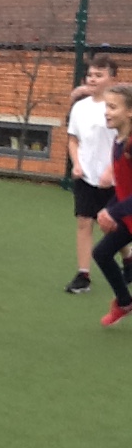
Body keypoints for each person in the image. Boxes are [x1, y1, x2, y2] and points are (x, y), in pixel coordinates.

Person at [65, 52, 132, 293]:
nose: (92, 79)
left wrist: (109, 171)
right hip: (86, 176)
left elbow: (122, 142)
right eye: (90, 75)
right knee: (84, 221)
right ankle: (83, 275)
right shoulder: (80, 107)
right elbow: (73, 139)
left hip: (113, 179)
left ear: (113, 78)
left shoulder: (118, 108)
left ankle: (128, 259)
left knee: (112, 225)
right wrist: (76, 163)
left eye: (99, 75)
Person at [92, 83, 132, 326]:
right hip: (128, 216)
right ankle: (125, 302)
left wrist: (113, 211)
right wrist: (108, 209)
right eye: (107, 106)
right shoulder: (118, 141)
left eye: (113, 107)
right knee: (102, 253)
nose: (107, 112)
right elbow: (125, 188)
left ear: (129, 112)